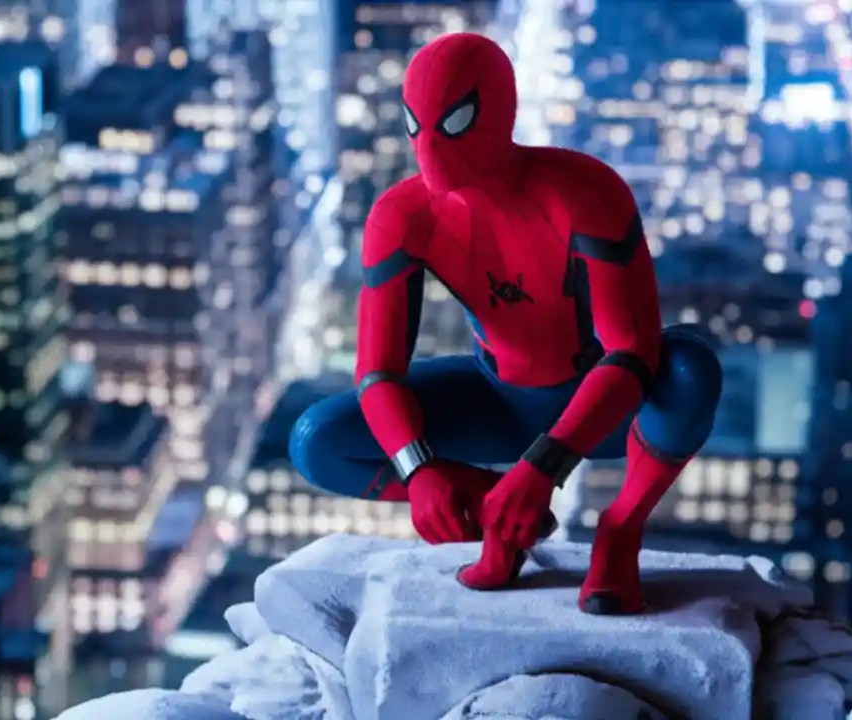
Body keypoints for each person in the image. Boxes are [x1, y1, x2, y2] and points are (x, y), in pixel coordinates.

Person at [288, 32, 722, 615]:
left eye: (456, 121)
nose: (433, 149)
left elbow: (632, 353)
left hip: (601, 407)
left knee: (690, 370)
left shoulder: (585, 193)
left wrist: (544, 466)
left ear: (499, 112)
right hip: (494, 397)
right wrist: (419, 472)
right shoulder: (400, 215)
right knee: (318, 443)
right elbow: (377, 369)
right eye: (416, 125)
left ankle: (620, 530)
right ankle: (495, 510)